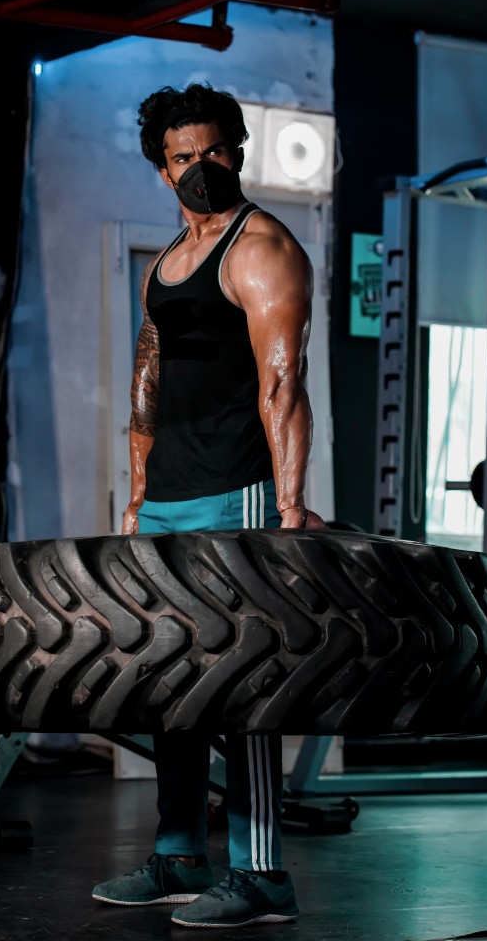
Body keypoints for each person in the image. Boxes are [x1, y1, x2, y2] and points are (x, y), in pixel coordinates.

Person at [91, 82, 325, 929]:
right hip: (168, 505)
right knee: (170, 683)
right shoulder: (165, 262)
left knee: (243, 681)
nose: (199, 168)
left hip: (239, 491)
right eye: (182, 158)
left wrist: (290, 506)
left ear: (238, 149)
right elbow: (147, 385)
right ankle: (178, 852)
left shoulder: (260, 248)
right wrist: (138, 495)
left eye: (213, 151)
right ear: (163, 171)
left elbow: (282, 381)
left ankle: (260, 873)